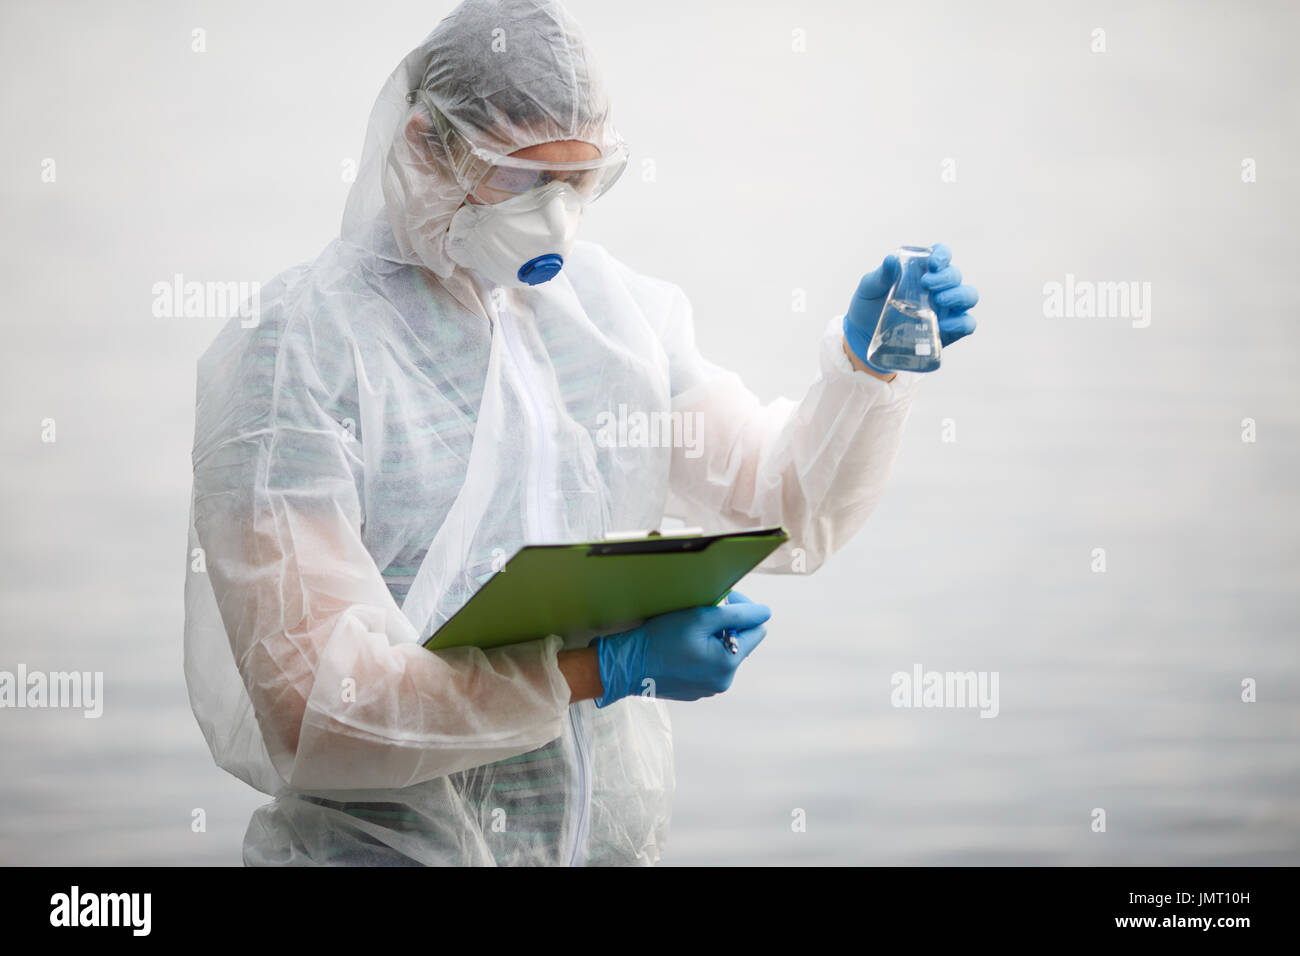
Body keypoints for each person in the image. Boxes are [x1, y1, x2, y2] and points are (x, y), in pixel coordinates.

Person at [183, 0, 979, 867]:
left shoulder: (609, 319)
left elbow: (785, 506)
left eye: (580, 181)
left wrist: (865, 374)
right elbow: (314, 708)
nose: (557, 221)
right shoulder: (294, 350)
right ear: (423, 143)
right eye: (524, 180)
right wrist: (600, 670)